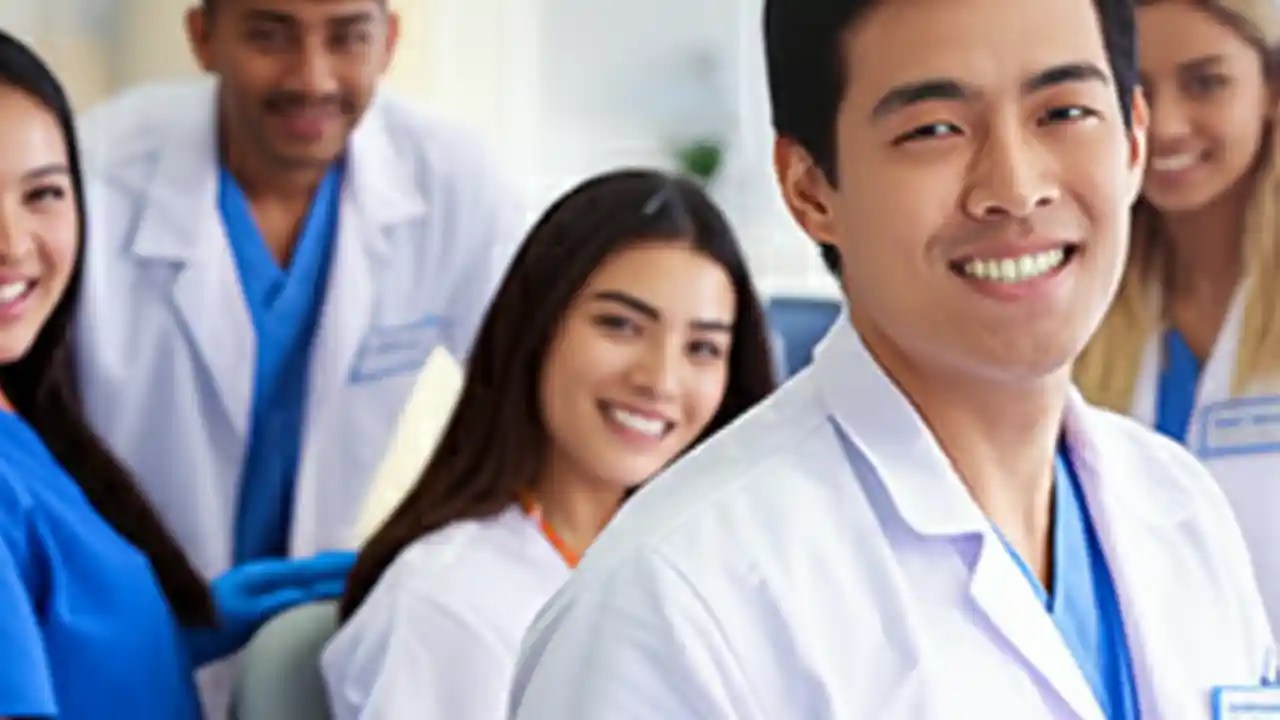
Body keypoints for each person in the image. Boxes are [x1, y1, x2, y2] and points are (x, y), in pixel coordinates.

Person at [507, 0, 1280, 717]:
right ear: (810, 190)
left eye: (1064, 113)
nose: (1014, 188)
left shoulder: (1183, 511)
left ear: (1133, 141)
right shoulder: (674, 605)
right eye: (934, 129)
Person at [70, 0, 524, 586]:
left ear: (388, 42)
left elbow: (533, 393)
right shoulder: (91, 175)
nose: (312, 79)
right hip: (104, 597)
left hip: (307, 607)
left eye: (347, 39)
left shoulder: (453, 181)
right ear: (203, 37)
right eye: (269, 36)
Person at [319, 170, 776, 719]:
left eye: (702, 348)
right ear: (537, 327)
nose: (660, 379)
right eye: (620, 325)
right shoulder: (448, 604)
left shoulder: (711, 573)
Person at [0, 30, 348, 720]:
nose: (13, 245)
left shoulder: (22, 423)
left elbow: (54, 641)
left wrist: (165, 625)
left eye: (42, 195)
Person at [1076, 0, 1280, 636]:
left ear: (1272, 89)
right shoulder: (1075, 313)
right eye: (1132, 88)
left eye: (1206, 83)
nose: (1162, 125)